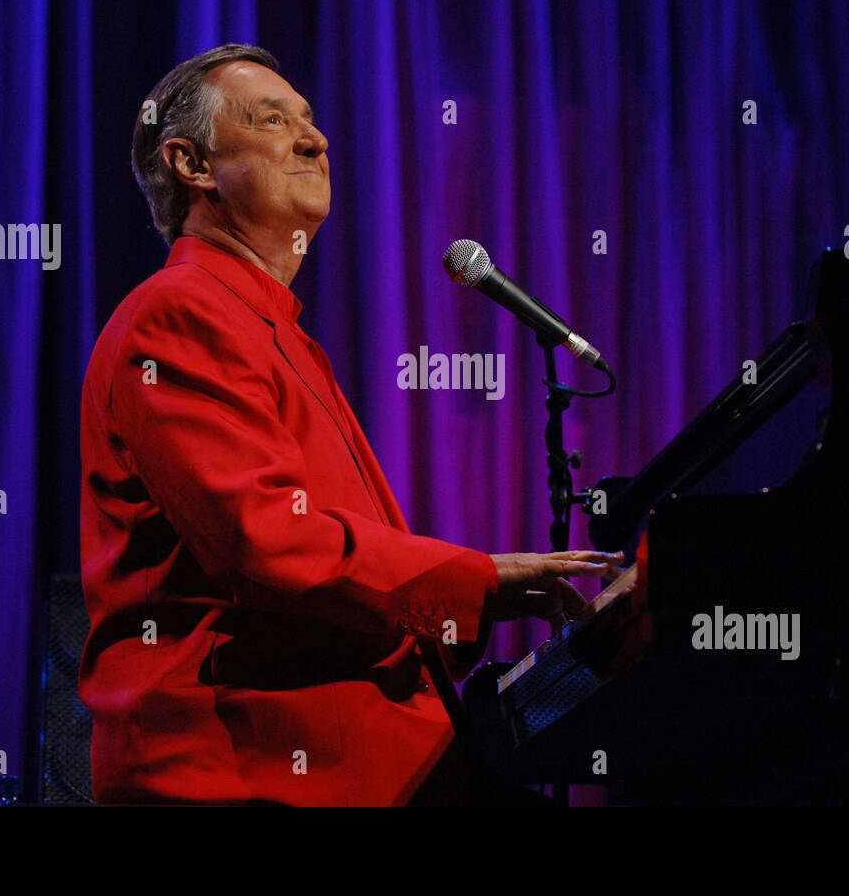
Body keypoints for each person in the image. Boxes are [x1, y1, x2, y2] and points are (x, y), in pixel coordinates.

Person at [79, 43, 622, 805]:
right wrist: (483, 580)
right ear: (191, 164)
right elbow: (267, 544)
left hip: (363, 758)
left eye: (311, 121)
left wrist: (489, 601)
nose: (315, 140)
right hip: (252, 769)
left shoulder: (276, 330)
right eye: (273, 121)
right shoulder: (178, 315)